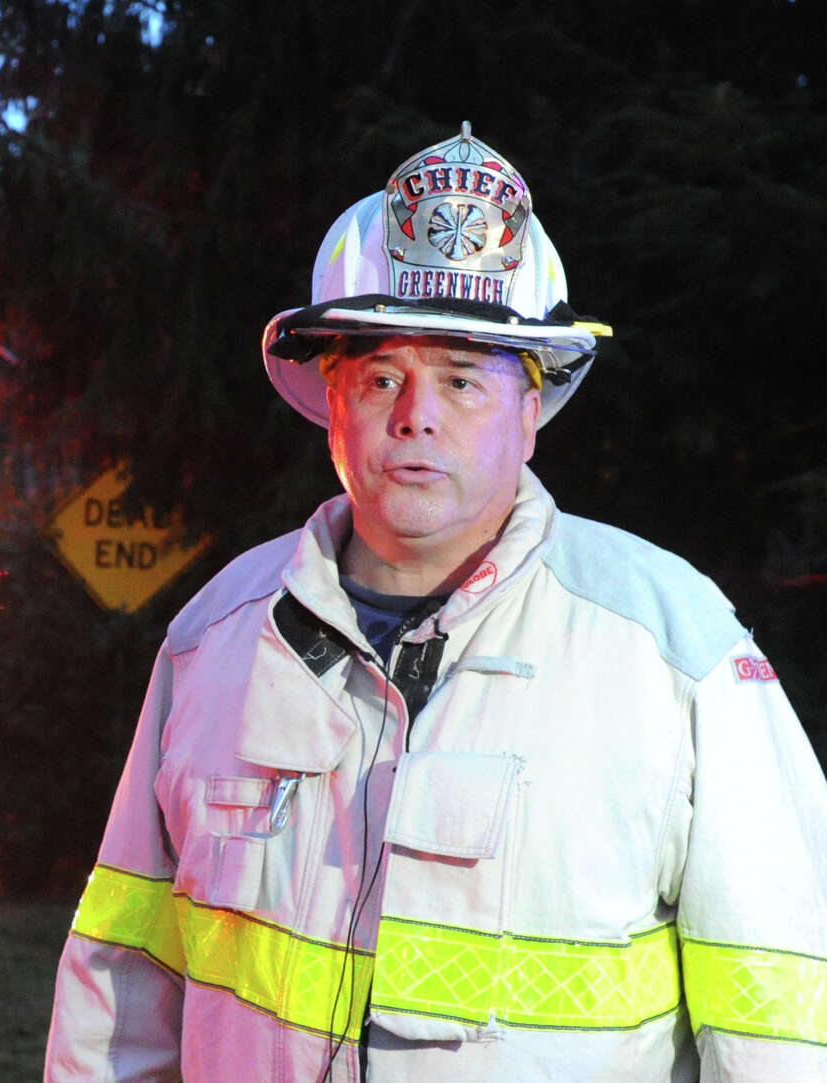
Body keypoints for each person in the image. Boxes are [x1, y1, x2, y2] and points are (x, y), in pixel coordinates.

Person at [44, 124, 827, 1081]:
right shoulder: (213, 639)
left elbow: (786, 1022)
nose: (417, 416)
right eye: (382, 378)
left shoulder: (675, 648)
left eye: (462, 380)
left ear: (530, 413)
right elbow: (121, 986)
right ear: (331, 404)